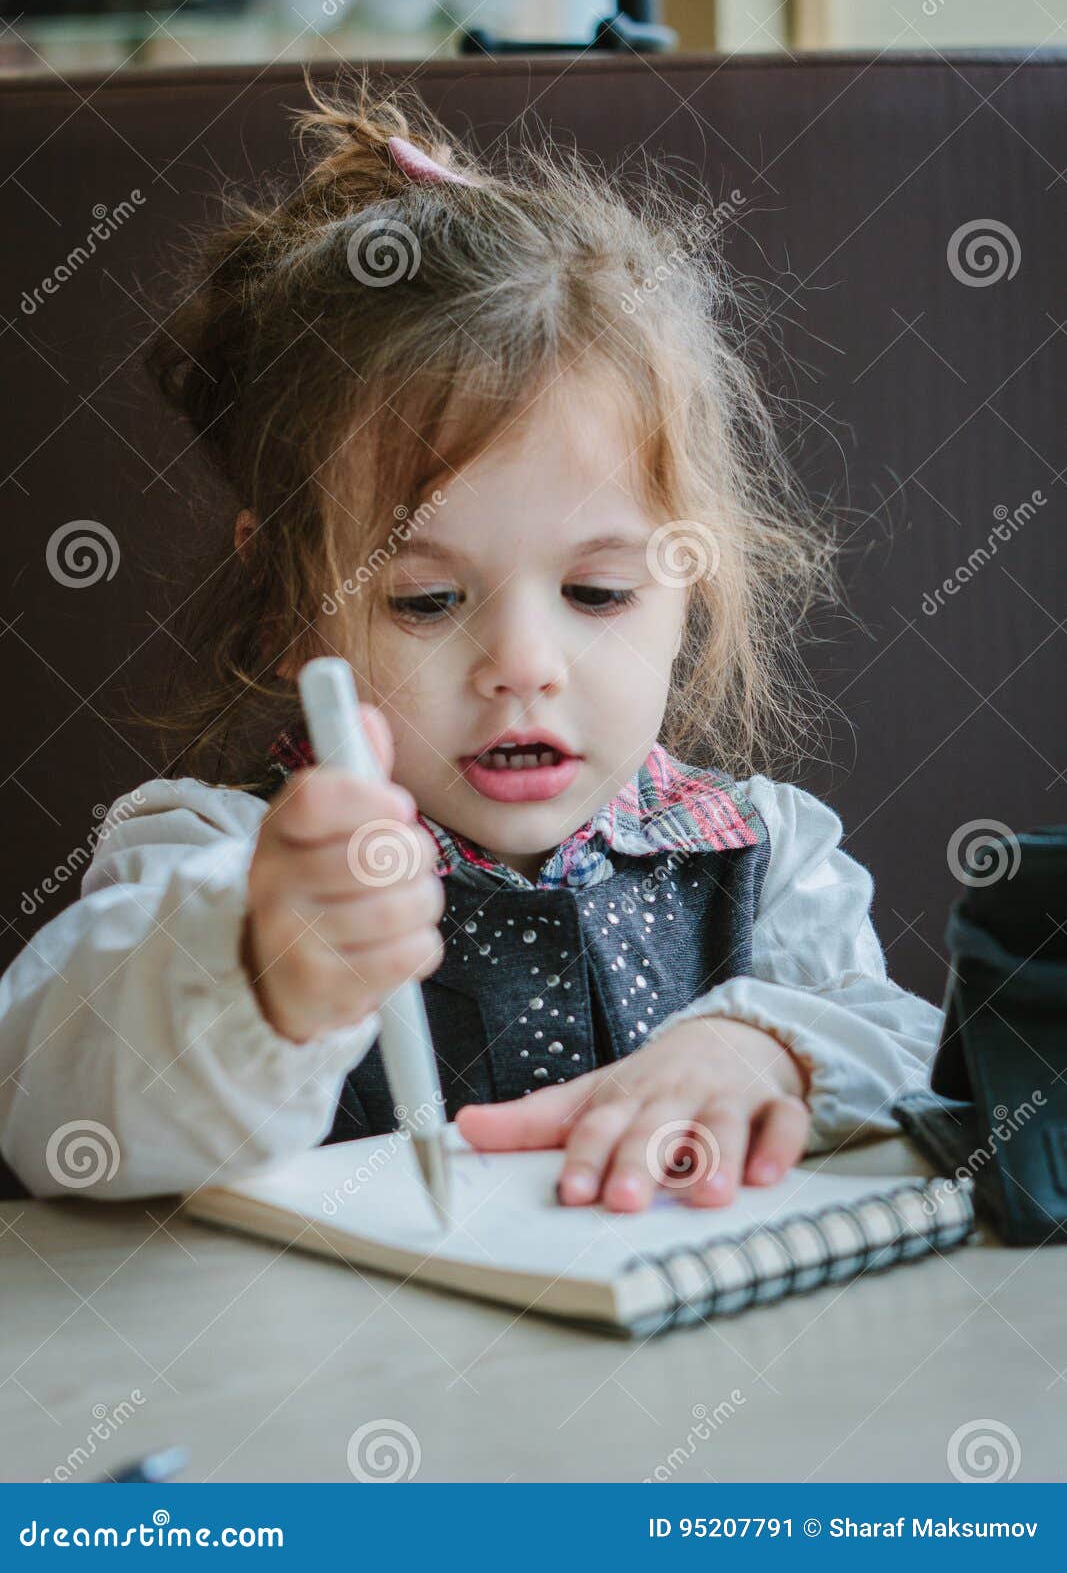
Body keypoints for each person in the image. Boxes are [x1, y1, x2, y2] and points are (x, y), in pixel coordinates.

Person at [0, 73, 941, 1212]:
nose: (522, 665)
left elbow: (917, 1054)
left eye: (596, 592)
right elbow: (50, 1109)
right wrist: (257, 975)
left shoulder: (758, 862)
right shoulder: (218, 861)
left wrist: (768, 1048)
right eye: (427, 601)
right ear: (293, 606)